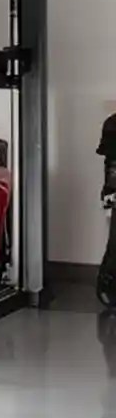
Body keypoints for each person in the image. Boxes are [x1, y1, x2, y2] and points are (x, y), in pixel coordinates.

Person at [97, 113, 116, 308]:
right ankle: (108, 285)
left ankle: (108, 285)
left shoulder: (112, 122)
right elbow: (112, 163)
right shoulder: (113, 123)